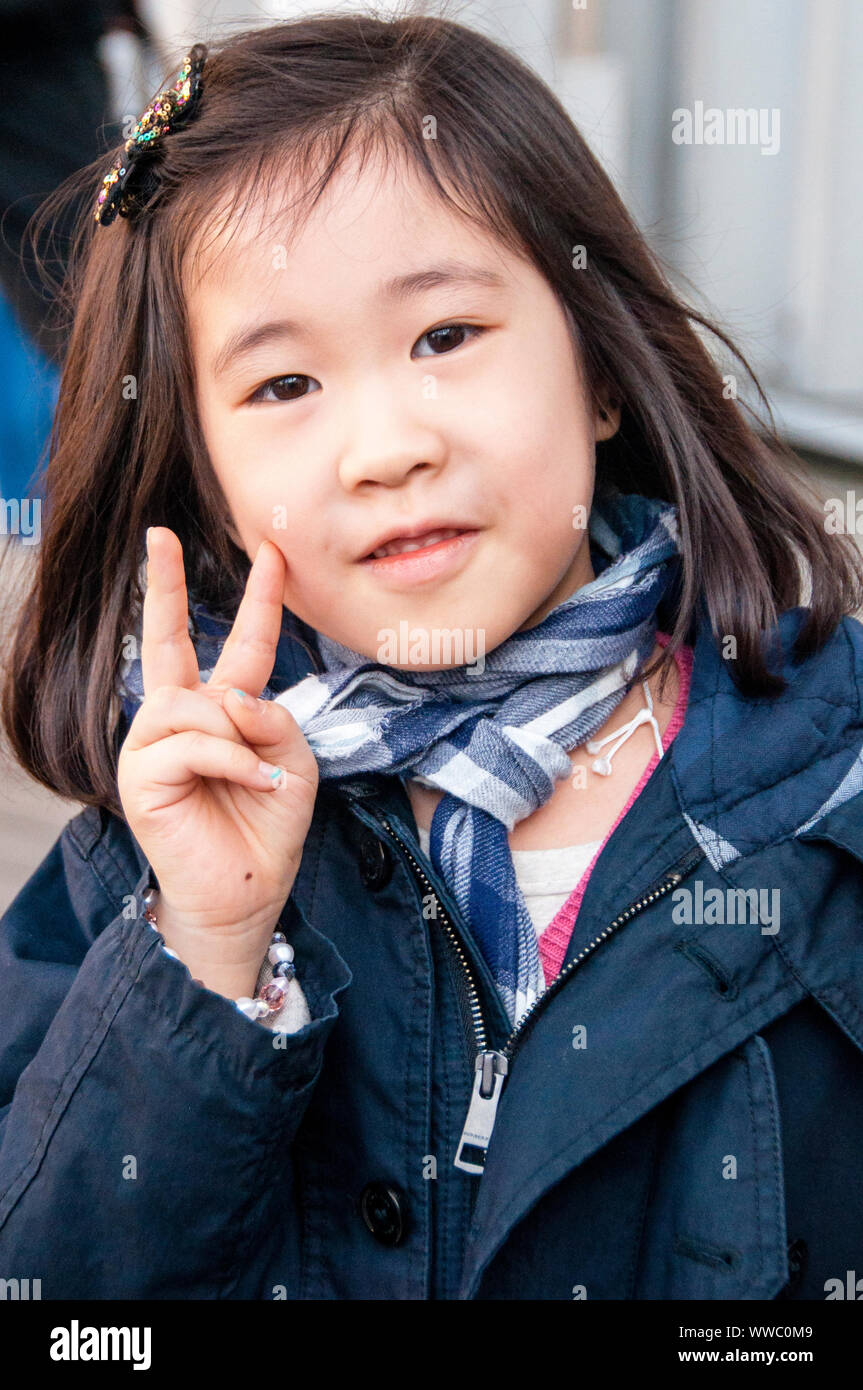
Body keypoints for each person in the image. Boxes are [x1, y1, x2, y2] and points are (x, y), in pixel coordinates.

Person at [0, 12, 862, 1302]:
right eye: (284, 387)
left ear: (601, 368)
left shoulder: (826, 792)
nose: (387, 447)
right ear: (207, 478)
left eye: (445, 338)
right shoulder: (156, 850)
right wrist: (207, 956)